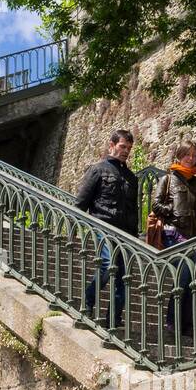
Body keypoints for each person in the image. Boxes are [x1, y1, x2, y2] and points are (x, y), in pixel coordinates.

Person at [152, 140, 196, 336]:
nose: (191, 159)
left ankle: (187, 325)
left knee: (191, 282)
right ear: (179, 156)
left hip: (195, 238)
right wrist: (172, 211)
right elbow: (156, 206)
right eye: (187, 155)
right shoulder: (167, 179)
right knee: (181, 280)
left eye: (194, 155)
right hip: (174, 235)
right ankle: (172, 323)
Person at [74, 130, 139, 328]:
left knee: (123, 276)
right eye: (122, 146)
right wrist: (76, 228)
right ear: (111, 145)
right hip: (103, 226)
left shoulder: (131, 177)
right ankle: (87, 302)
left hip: (126, 232)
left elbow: (132, 209)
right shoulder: (97, 170)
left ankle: (114, 319)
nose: (126, 151)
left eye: (128, 148)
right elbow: (80, 202)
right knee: (107, 266)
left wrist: (135, 236)